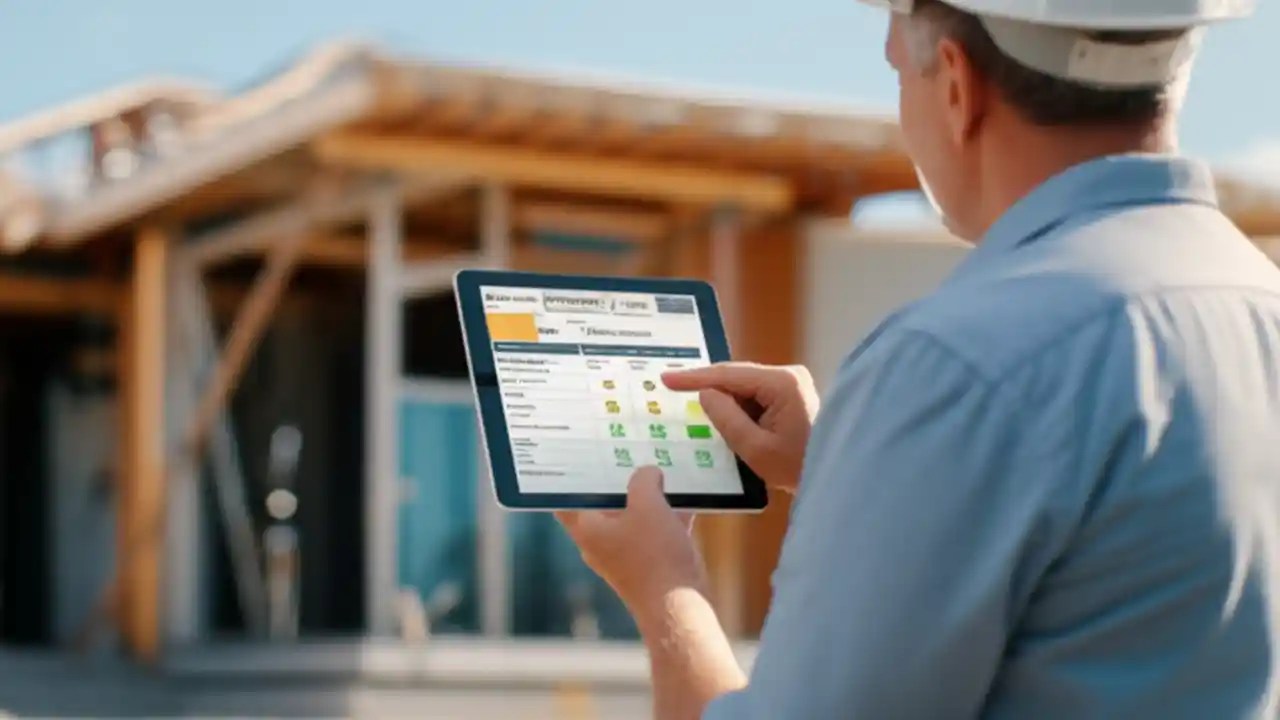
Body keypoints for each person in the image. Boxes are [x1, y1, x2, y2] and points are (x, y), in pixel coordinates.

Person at [557, 0, 1280, 718]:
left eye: (898, 72)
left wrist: (665, 590)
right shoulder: (1258, 305)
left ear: (958, 87)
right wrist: (851, 476)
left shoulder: (959, 362)